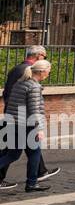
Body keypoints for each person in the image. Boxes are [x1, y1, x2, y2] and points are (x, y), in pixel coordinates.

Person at [1, 44, 57, 188]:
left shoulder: (20, 83)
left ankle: (32, 182)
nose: (48, 74)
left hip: (13, 122)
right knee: (34, 154)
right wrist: (39, 129)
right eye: (48, 71)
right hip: (26, 125)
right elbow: (34, 110)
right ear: (42, 72)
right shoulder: (34, 87)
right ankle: (31, 184)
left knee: (12, 155)